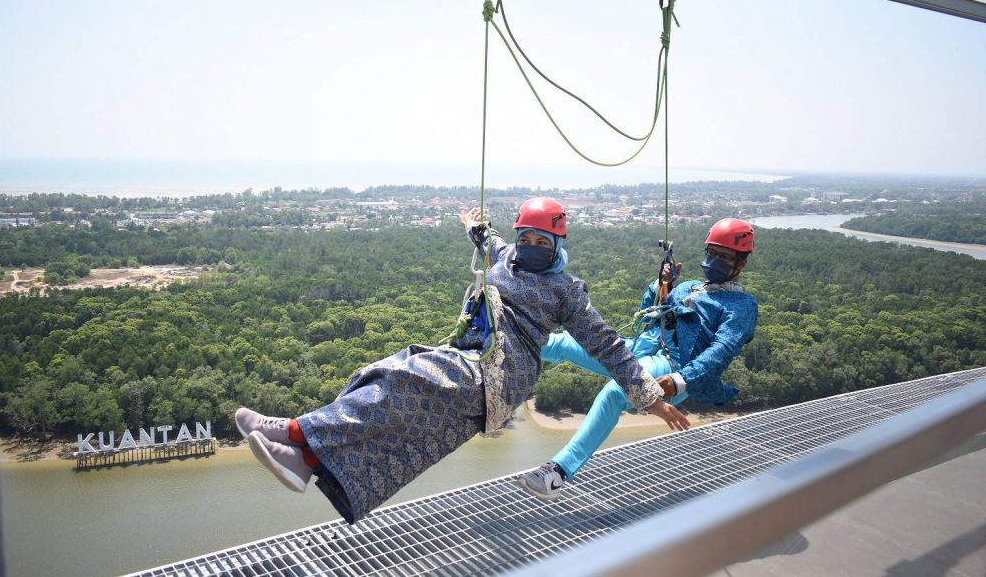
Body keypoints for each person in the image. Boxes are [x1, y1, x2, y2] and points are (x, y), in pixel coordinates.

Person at [235, 197, 690, 523]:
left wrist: (650, 397)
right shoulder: (510, 258)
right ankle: (306, 462)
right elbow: (490, 241)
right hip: (471, 357)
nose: (530, 245)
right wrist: (474, 226)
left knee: (403, 380)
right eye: (524, 236)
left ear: (557, 244)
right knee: (389, 392)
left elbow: (608, 346)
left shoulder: (566, 291)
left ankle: (296, 432)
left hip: (502, 370)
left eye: (541, 240)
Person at [517, 217, 758, 500]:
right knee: (563, 343)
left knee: (616, 391)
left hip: (673, 365)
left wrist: (680, 380)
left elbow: (722, 350)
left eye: (724, 256)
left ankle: (557, 473)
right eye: (712, 253)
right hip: (643, 348)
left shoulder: (742, 306)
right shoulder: (689, 286)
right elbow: (649, 312)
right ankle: (498, 346)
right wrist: (660, 286)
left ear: (741, 264)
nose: (714, 260)